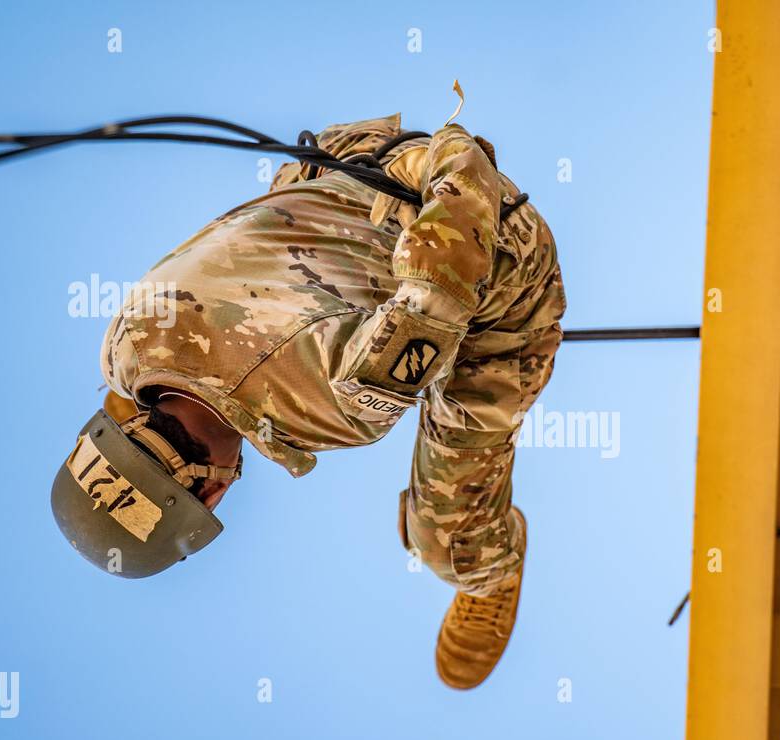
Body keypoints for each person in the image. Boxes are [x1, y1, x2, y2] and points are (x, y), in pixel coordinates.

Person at [50, 113, 566, 690]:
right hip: (347, 153)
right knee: (402, 325)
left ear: (210, 490)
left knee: (442, 534)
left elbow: (443, 283)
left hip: (482, 222)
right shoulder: (123, 340)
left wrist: (446, 160)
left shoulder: (329, 407)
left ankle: (481, 567)